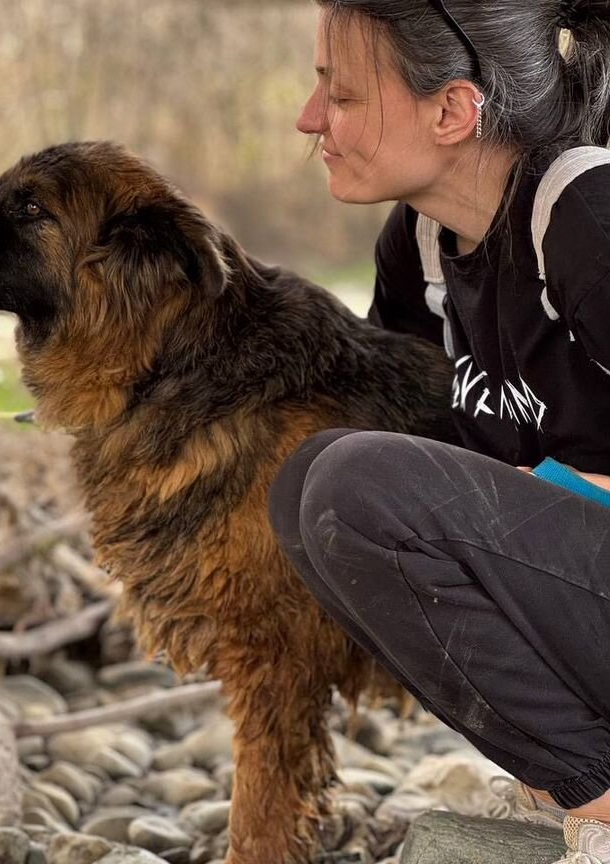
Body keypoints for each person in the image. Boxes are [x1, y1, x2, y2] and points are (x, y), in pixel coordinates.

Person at [267, 1, 610, 861]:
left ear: (452, 111)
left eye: (341, 96)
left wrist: (567, 490)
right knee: (308, 486)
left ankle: (599, 808)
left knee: (353, 487)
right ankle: (578, 788)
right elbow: (383, 446)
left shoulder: (587, 212)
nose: (311, 121)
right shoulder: (422, 243)